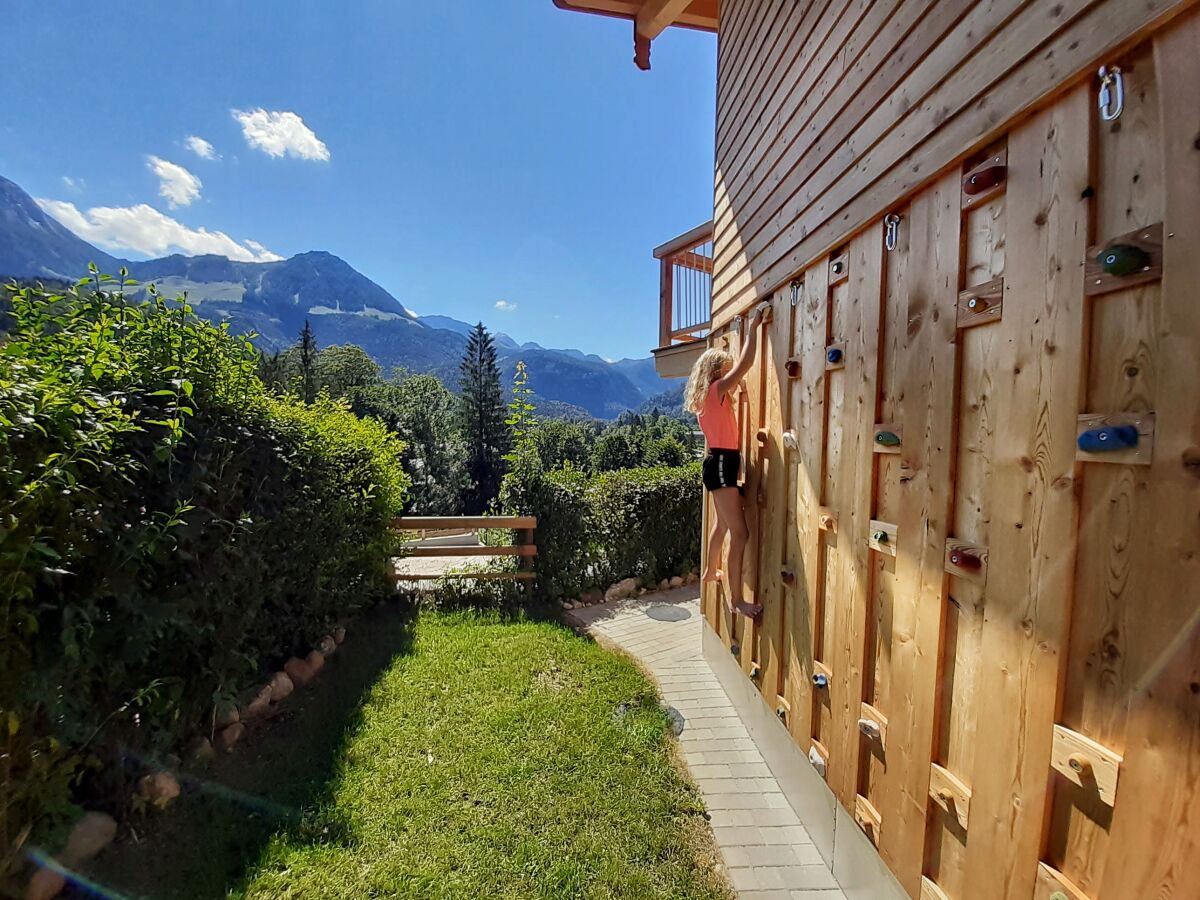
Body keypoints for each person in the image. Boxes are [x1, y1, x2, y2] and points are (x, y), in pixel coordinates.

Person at [684, 302, 769, 620]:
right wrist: (755, 324)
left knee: (722, 524)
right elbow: (746, 362)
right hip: (721, 464)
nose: (731, 372)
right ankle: (737, 601)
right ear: (719, 371)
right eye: (727, 367)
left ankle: (709, 570)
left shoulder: (708, 397)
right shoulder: (718, 389)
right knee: (741, 533)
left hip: (717, 463)